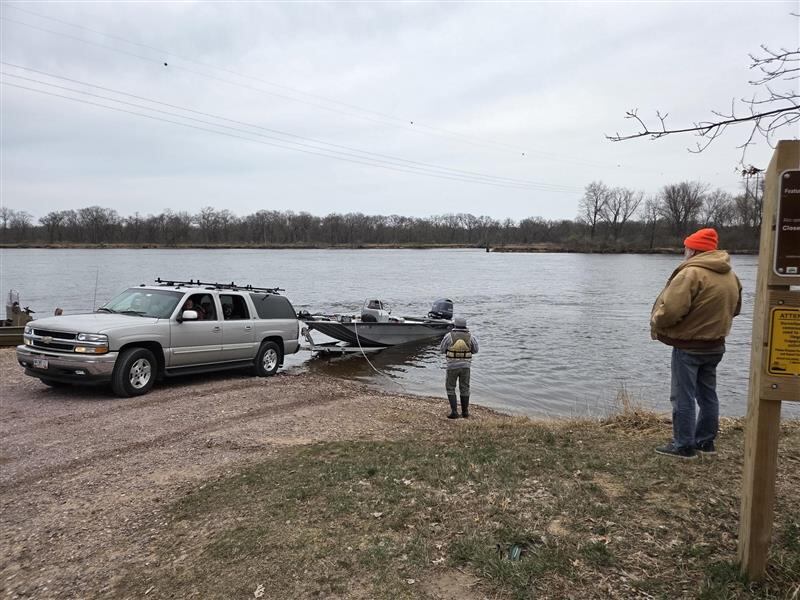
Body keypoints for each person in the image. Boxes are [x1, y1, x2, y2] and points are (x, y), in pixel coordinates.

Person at [650, 228, 742, 459]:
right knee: (708, 395)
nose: (684, 251)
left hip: (689, 345)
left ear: (693, 250)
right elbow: (737, 308)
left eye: (686, 247)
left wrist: (657, 320)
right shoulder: (730, 274)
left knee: (683, 396)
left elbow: (670, 310)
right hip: (716, 345)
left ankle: (683, 445)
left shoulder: (691, 273)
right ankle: (705, 442)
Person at [440, 316, 479, 419]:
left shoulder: (449, 336)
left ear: (455, 325)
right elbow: (475, 350)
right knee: (465, 388)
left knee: (450, 388)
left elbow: (442, 349)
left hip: (452, 366)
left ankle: (454, 412)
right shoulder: (471, 337)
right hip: (466, 366)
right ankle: (465, 412)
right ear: (465, 325)